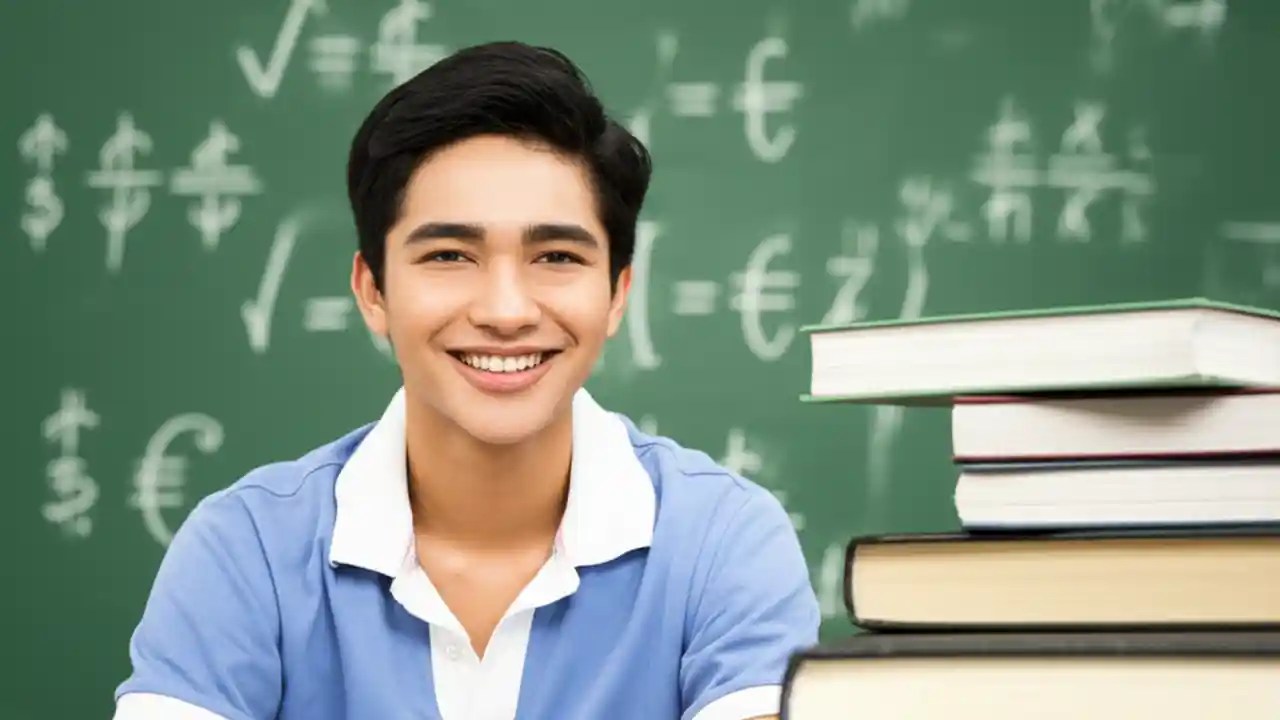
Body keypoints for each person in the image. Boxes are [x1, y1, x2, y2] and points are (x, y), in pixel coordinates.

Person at [112, 40, 820, 720]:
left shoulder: (723, 543)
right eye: (450, 255)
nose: (505, 312)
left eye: (557, 257)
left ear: (617, 295)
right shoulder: (247, 550)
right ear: (372, 290)